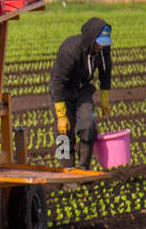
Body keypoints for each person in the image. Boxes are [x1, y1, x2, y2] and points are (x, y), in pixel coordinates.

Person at [49, 17, 114, 169]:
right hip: (62, 92)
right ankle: (65, 171)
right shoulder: (70, 50)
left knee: (88, 126)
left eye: (104, 43)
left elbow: (106, 71)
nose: (101, 47)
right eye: (99, 43)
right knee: (63, 134)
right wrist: (61, 115)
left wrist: (105, 99)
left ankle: (83, 169)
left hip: (83, 90)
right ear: (91, 38)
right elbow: (57, 82)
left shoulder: (103, 50)